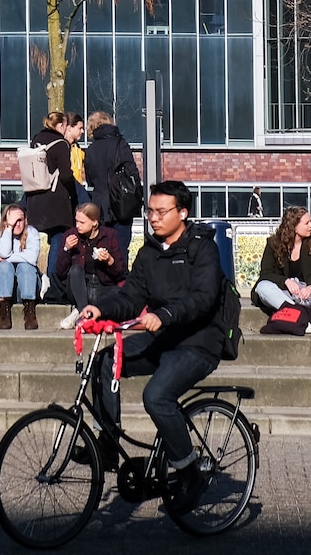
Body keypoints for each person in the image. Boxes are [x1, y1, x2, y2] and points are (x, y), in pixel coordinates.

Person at [78, 180, 224, 479]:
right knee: (105, 362)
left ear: (182, 212)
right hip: (163, 338)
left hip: (199, 341)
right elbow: (131, 297)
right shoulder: (149, 252)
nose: (153, 217)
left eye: (161, 211)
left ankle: (188, 470)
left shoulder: (203, 248)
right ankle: (107, 445)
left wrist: (165, 314)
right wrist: (101, 309)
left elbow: (203, 298)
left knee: (156, 396)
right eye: (150, 211)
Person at [254, 206, 311, 330]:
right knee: (263, 287)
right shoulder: (273, 244)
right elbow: (266, 273)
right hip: (284, 294)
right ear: (294, 226)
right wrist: (286, 281)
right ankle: (302, 315)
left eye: (310, 222)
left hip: (309, 297)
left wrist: (310, 287)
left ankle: (296, 315)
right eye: (307, 223)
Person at [20, 110, 83, 260]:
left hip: (35, 197)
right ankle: (53, 279)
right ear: (61, 125)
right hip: (55, 202)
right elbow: (66, 175)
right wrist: (74, 194)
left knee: (34, 241)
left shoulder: (36, 139)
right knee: (58, 240)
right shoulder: (61, 144)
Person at [52, 199, 128, 308]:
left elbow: (121, 272)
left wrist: (110, 261)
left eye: (82, 222)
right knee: (76, 270)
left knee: (120, 292)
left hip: (102, 286)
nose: (78, 226)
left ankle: (88, 310)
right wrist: (66, 249)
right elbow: (60, 272)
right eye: (76, 221)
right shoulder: (70, 235)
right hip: (78, 287)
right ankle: (83, 310)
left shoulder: (109, 236)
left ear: (94, 222)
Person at [81, 111, 138, 236]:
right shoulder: (120, 143)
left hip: (99, 205)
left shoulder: (90, 150)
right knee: (121, 248)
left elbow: (90, 180)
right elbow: (132, 172)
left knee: (102, 246)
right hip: (121, 202)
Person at [0, 205, 45, 329]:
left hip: (26, 289)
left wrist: (5, 258)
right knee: (4, 267)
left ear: (25, 220)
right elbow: (4, 251)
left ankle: (30, 313)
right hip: (1, 288)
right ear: (5, 221)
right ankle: (4, 314)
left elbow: (32, 258)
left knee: (26, 267)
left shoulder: (32, 232)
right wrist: (9, 228)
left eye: (20, 220)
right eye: (13, 221)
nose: (17, 224)